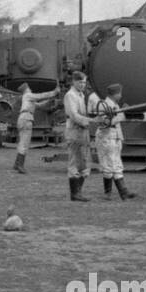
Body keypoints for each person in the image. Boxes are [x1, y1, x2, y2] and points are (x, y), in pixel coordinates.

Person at [90, 83, 136, 200]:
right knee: (109, 165)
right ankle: (111, 193)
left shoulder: (115, 105)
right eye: (119, 93)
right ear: (115, 94)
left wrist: (121, 113)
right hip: (106, 138)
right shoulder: (103, 105)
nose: (121, 95)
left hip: (115, 137)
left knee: (117, 165)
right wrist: (121, 116)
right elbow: (105, 123)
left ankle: (123, 192)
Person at [64, 72, 95, 201]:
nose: (83, 85)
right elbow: (74, 115)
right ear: (74, 82)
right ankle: (75, 194)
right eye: (80, 82)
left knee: (84, 162)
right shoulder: (70, 95)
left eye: (84, 82)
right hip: (74, 131)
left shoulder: (81, 95)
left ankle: (78, 192)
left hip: (83, 131)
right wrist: (91, 121)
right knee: (74, 162)